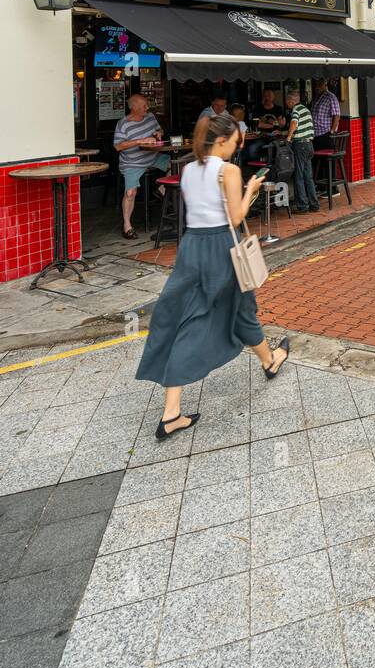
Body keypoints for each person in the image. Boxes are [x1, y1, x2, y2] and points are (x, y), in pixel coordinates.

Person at [135, 111, 290, 439]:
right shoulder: (229, 170)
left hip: (192, 247)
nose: (236, 148)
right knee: (199, 320)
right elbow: (235, 218)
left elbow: (198, 211)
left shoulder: (188, 170)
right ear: (221, 140)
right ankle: (170, 412)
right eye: (235, 142)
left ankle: (270, 360)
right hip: (221, 246)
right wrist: (251, 189)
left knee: (233, 307)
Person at [113, 93, 170, 240]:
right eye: (144, 105)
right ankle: (127, 226)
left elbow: (160, 130)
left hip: (153, 157)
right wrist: (140, 141)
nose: (147, 107)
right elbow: (118, 146)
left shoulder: (150, 117)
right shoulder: (123, 123)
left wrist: (159, 133)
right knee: (130, 193)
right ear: (134, 107)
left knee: (178, 165)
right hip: (133, 162)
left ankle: (162, 188)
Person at [286, 88, 319, 212]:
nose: (286, 103)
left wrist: (288, 137)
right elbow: (301, 127)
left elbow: (294, 124)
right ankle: (314, 204)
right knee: (308, 176)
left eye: (287, 100)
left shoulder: (296, 109)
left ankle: (302, 206)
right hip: (309, 145)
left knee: (299, 176)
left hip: (300, 146)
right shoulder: (305, 109)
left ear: (291, 100)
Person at [312, 78, 341, 151]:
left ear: (325, 85)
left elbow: (337, 115)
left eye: (320, 85)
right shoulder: (316, 97)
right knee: (316, 158)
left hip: (326, 134)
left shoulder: (331, 97)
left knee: (325, 160)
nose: (317, 87)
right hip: (315, 134)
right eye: (316, 85)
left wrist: (332, 131)